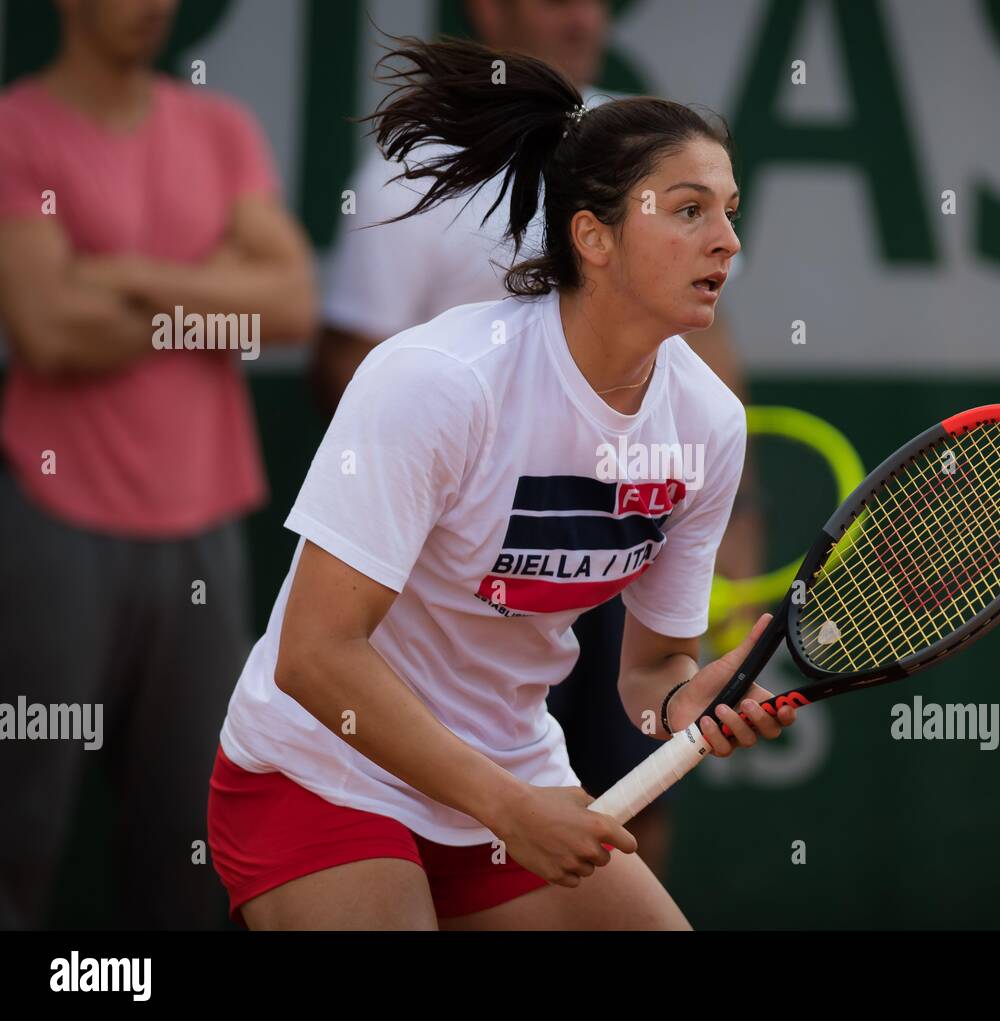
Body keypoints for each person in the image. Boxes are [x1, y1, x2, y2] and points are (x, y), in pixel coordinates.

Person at [207, 36, 797, 931]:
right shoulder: (441, 381)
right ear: (592, 236)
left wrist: (687, 697)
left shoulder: (706, 425)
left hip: (507, 775)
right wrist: (505, 806)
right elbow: (313, 656)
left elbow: (648, 669)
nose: (727, 240)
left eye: (729, 209)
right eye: (687, 210)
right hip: (326, 770)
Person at [0, 0, 317, 928]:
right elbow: (50, 330)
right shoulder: (17, 128)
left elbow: (293, 302)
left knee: (196, 831)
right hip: (53, 512)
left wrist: (122, 273)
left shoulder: (219, 128)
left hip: (205, 520)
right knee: (20, 820)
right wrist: (219, 285)